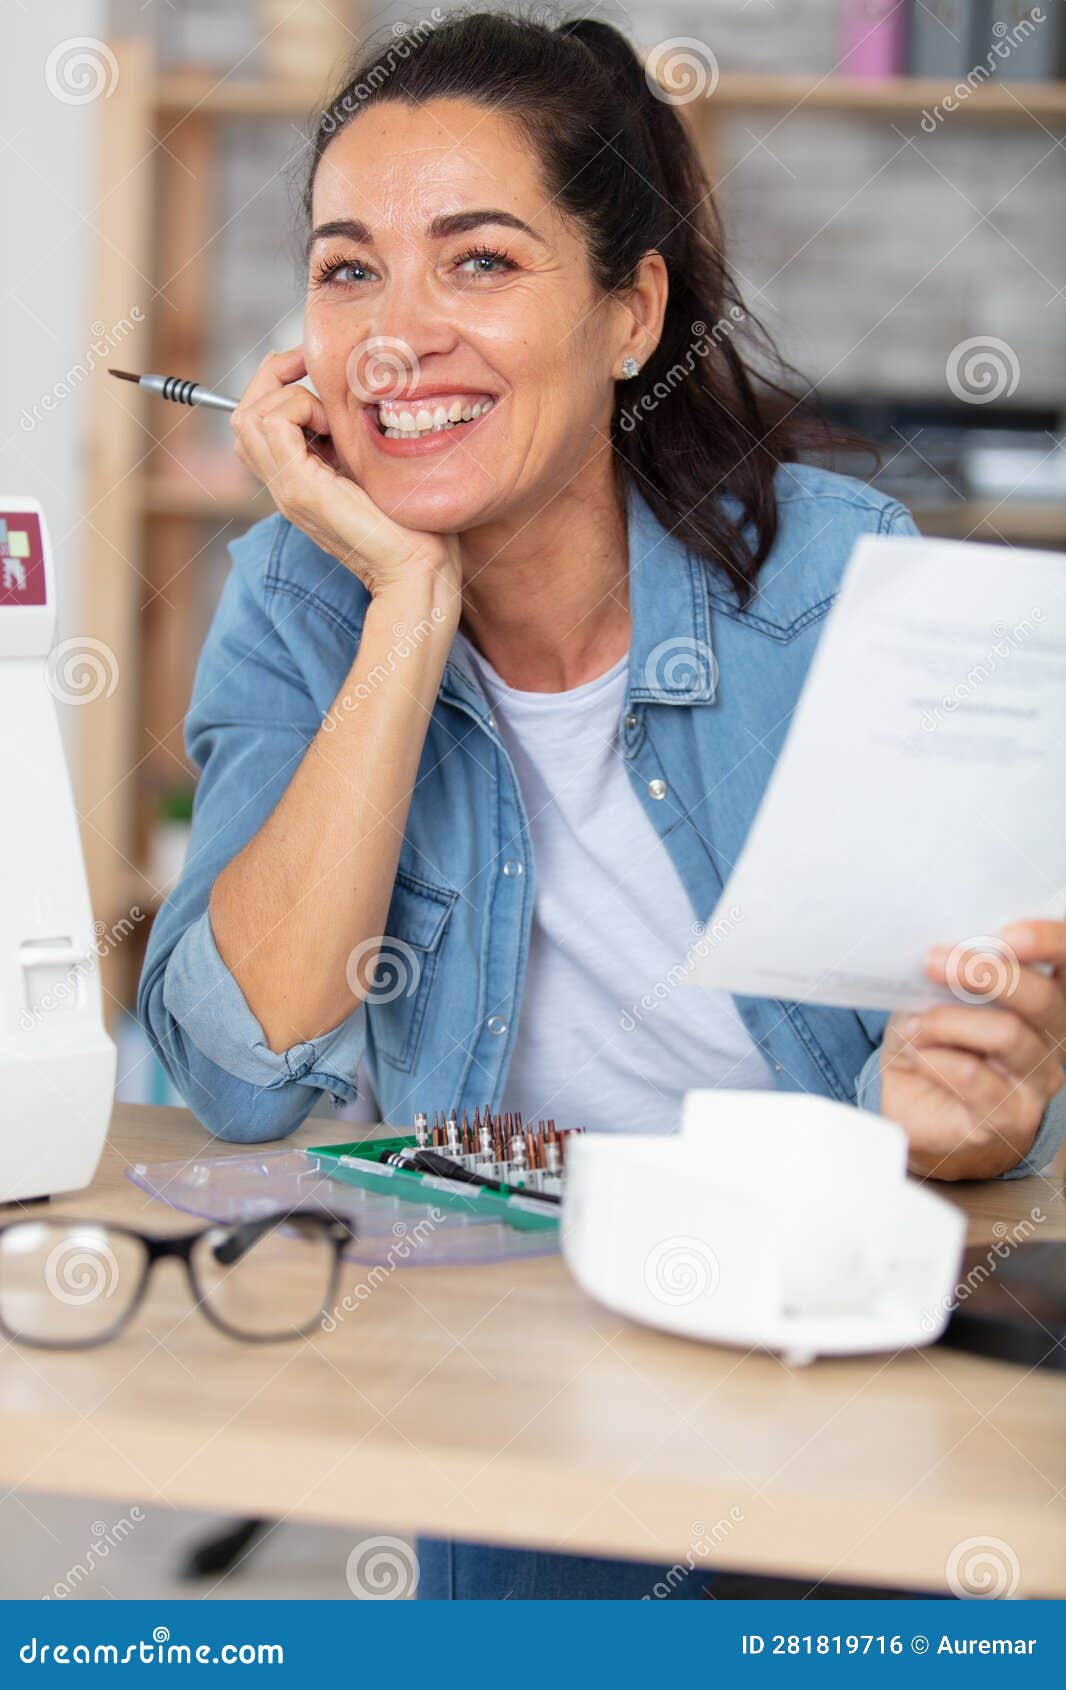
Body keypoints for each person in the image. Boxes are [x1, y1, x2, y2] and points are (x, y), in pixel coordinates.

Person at [139, 11, 1066, 1599]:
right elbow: (237, 1061)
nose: (392, 335)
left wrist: (976, 1105)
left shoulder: (835, 584)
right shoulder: (304, 600)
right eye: (348, 267)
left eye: (479, 263)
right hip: (514, 1403)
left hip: (849, 1381)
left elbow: (994, 1073)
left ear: (631, 311)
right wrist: (406, 608)